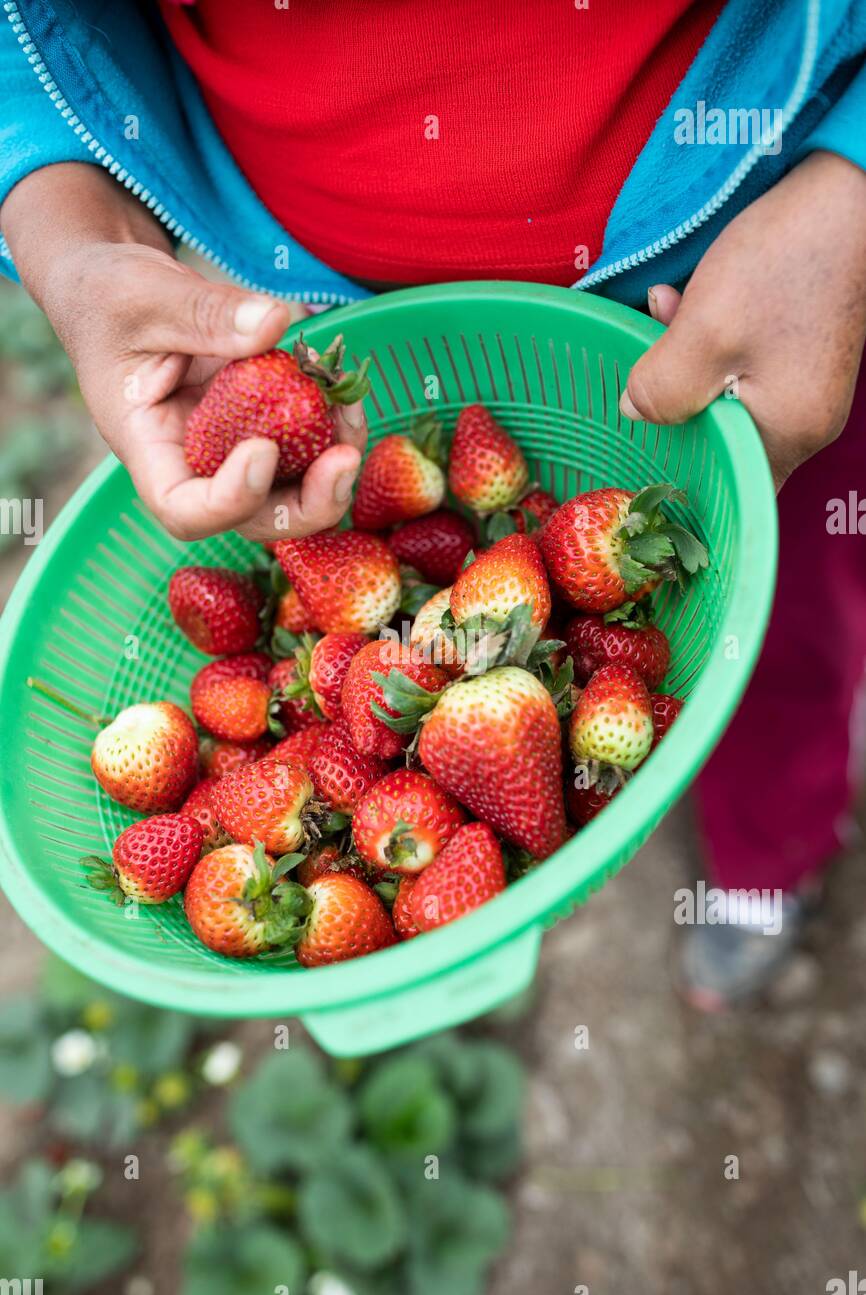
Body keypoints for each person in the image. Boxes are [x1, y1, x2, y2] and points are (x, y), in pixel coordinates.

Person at [1, 1, 865, 1007]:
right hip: (338, 318)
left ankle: (768, 856)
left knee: (787, 613)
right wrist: (54, 197)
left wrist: (848, 181)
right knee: (649, 624)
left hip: (758, 283)